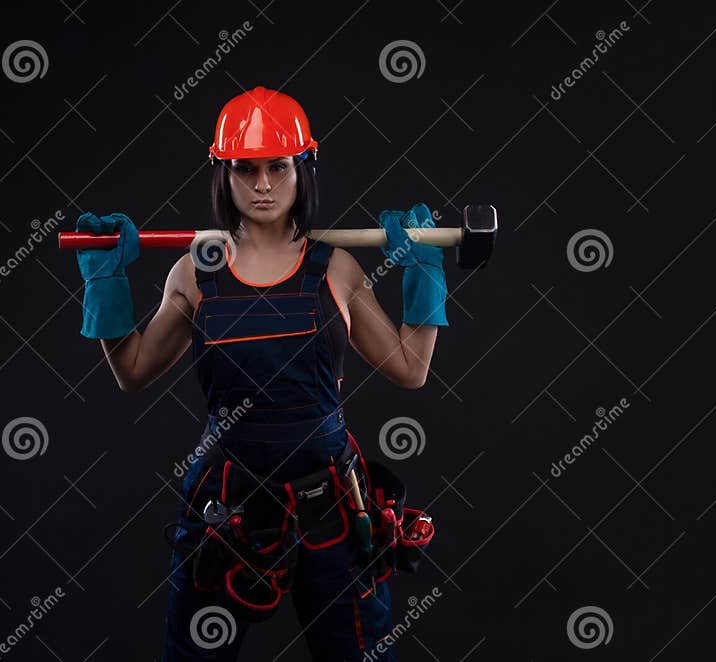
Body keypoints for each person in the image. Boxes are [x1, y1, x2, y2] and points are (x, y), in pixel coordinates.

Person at [73, 86, 448, 660]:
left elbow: (410, 368)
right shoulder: (196, 273)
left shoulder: (337, 269)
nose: (264, 184)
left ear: (304, 168)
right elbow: (132, 371)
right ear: (223, 175)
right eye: (245, 170)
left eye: (279, 166)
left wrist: (424, 273)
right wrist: (106, 284)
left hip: (331, 503)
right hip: (227, 505)